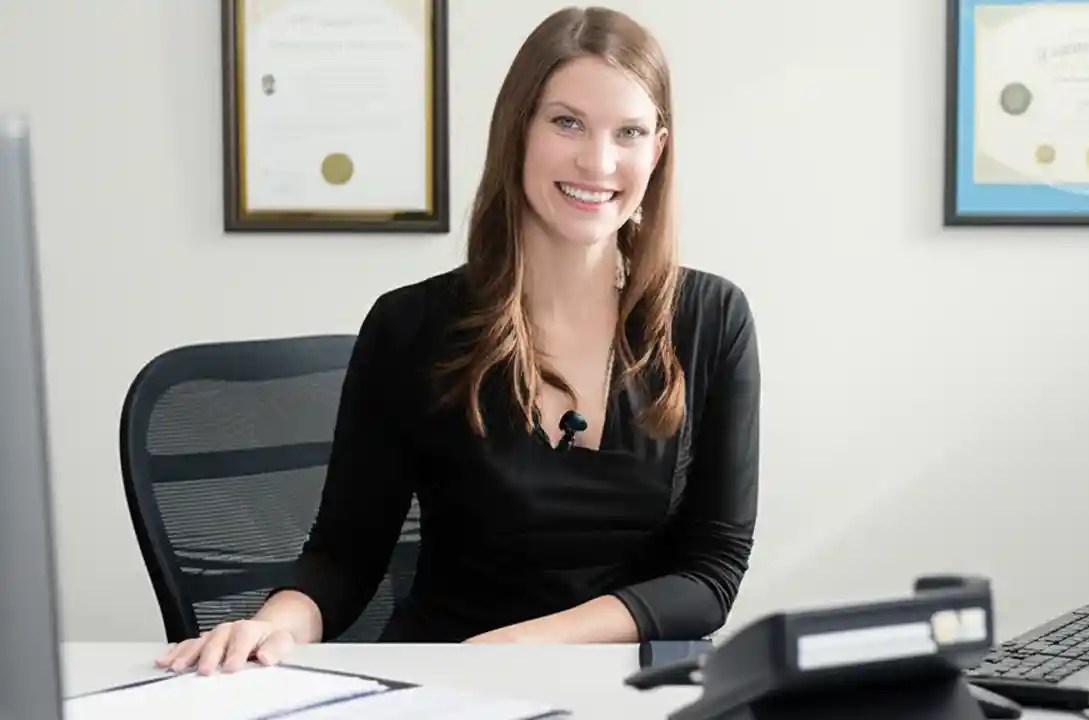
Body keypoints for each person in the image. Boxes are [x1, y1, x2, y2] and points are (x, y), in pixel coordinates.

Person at [155, 5, 761, 675]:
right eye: (567, 122)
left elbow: (711, 573)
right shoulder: (411, 327)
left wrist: (522, 644)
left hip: (626, 691)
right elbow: (344, 555)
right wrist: (270, 625)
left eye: (629, 132)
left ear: (659, 148)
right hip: (444, 686)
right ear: (517, 130)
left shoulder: (711, 319)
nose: (598, 160)